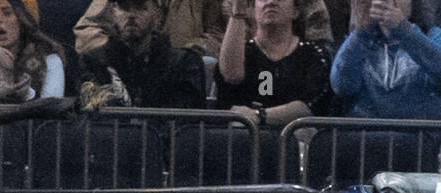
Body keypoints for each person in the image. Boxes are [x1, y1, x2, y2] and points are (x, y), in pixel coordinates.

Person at [331, 0, 441, 119]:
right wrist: (360, 33)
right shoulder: (359, 41)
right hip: (369, 133)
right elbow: (342, 86)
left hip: (424, 134)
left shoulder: (435, 35)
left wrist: (403, 29)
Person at [74, 0, 333, 58]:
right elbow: (86, 31)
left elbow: (227, 31)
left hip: (184, 75)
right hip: (131, 71)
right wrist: (126, 53)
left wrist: (185, 54)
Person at [216, 0, 331, 124]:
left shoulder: (313, 54)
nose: (270, 2)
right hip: (243, 134)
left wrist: (259, 116)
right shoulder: (242, 52)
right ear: (253, 11)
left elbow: (311, 105)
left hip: (296, 134)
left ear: (295, 11)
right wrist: (238, 14)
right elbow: (231, 76)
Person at [79, 0, 207, 109]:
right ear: (112, 14)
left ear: (157, 15)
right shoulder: (93, 62)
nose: (131, 15)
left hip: (163, 137)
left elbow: (185, 122)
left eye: (140, 8)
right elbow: (94, 118)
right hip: (113, 137)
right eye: (124, 8)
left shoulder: (184, 63)